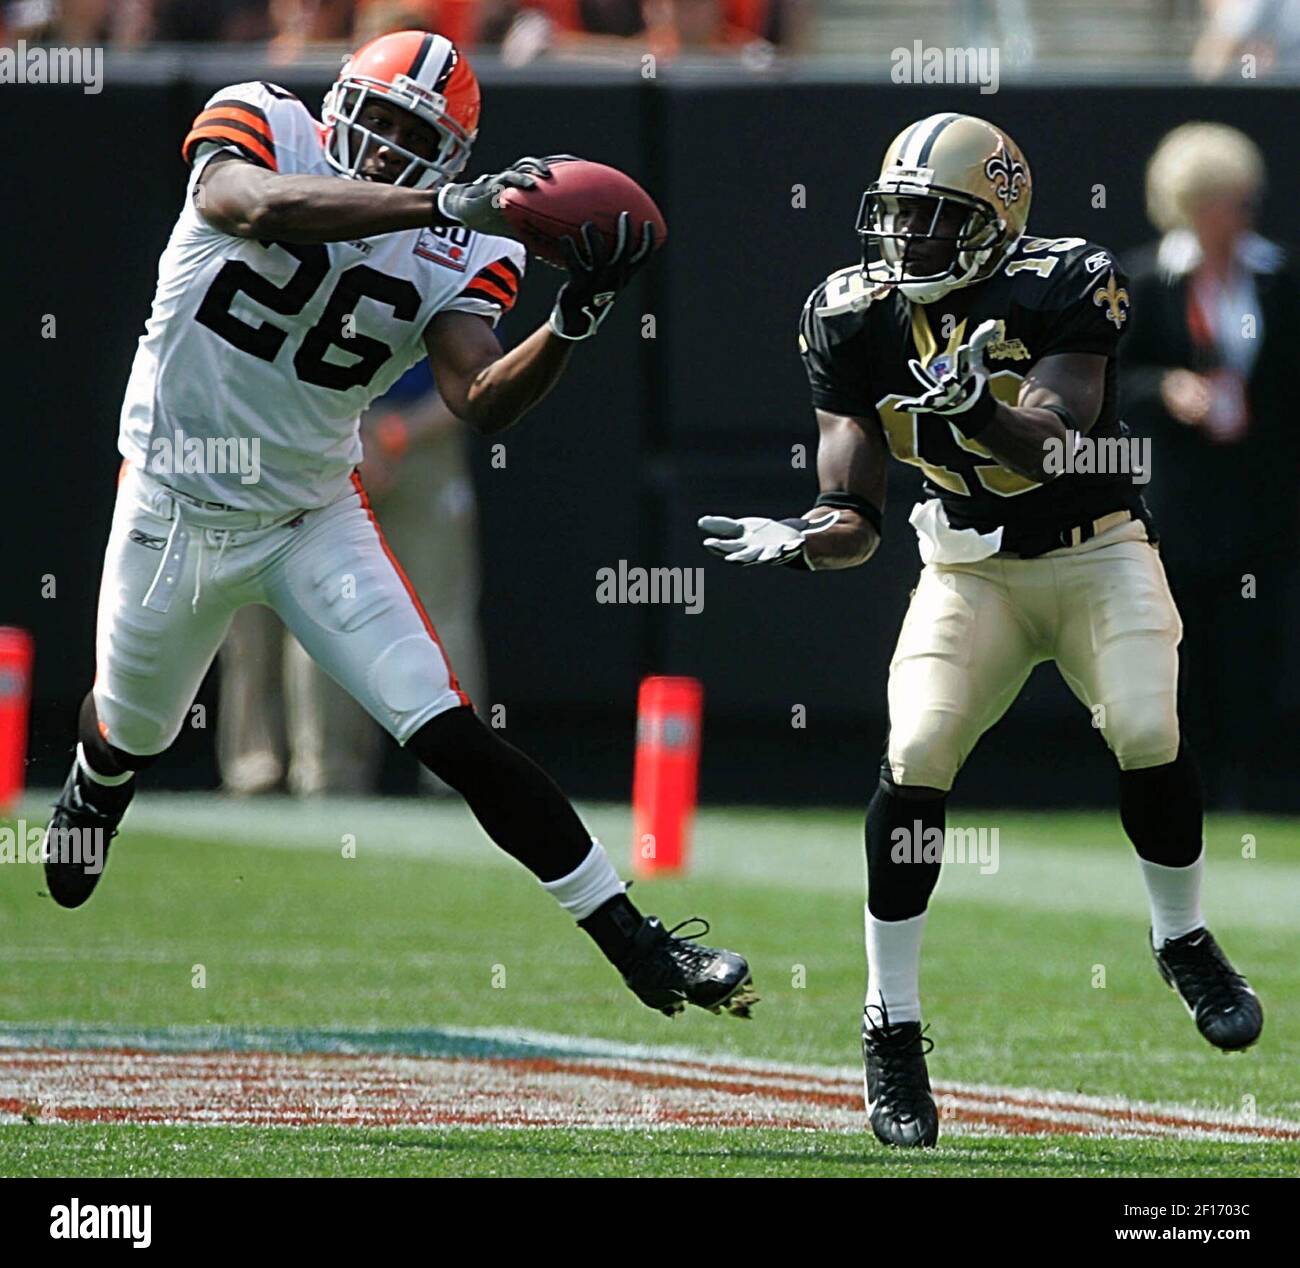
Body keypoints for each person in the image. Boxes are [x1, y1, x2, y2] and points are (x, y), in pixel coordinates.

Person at [41, 28, 756, 1022]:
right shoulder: (264, 123)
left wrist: (573, 318)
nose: (379, 146)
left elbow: (481, 397)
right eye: (372, 119)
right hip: (176, 501)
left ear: (451, 155)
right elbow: (250, 204)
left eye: (407, 134)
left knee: (450, 729)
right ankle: (99, 777)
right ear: (336, 103)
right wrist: (440, 199)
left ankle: (637, 941)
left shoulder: (466, 243)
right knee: (131, 723)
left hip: (310, 512)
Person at [699, 114, 1262, 1147]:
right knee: (913, 750)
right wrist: (802, 535)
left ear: (997, 221)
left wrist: (977, 412)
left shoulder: (1067, 278)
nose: (907, 240)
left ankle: (1181, 936)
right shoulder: (847, 313)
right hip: (967, 565)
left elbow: (1055, 441)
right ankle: (891, 1023)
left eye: (935, 219)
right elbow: (856, 515)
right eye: (899, 216)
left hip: (1094, 550)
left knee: (1144, 724)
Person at [1120, 122, 1299, 808]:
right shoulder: (1145, 279)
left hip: (1259, 493)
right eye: (1228, 200)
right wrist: (1167, 388)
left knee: (1255, 645)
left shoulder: (1277, 279)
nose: (1242, 214)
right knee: (1178, 647)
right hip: (1178, 494)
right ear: (1191, 204)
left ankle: (1248, 790)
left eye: (1246, 200)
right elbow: (1110, 375)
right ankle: (1176, 786)